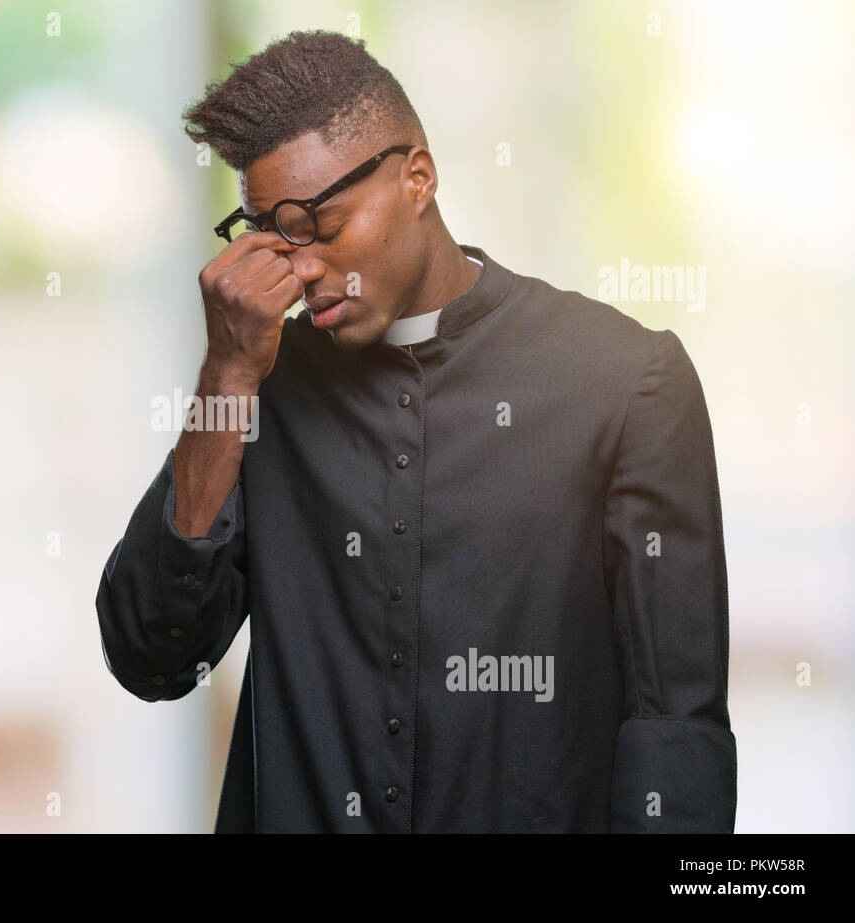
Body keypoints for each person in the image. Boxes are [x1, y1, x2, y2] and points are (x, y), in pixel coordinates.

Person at [95, 29, 736, 833]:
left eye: (321, 225)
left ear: (417, 179)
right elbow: (152, 657)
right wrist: (225, 377)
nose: (301, 270)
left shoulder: (627, 381)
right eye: (270, 234)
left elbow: (676, 730)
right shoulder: (257, 388)